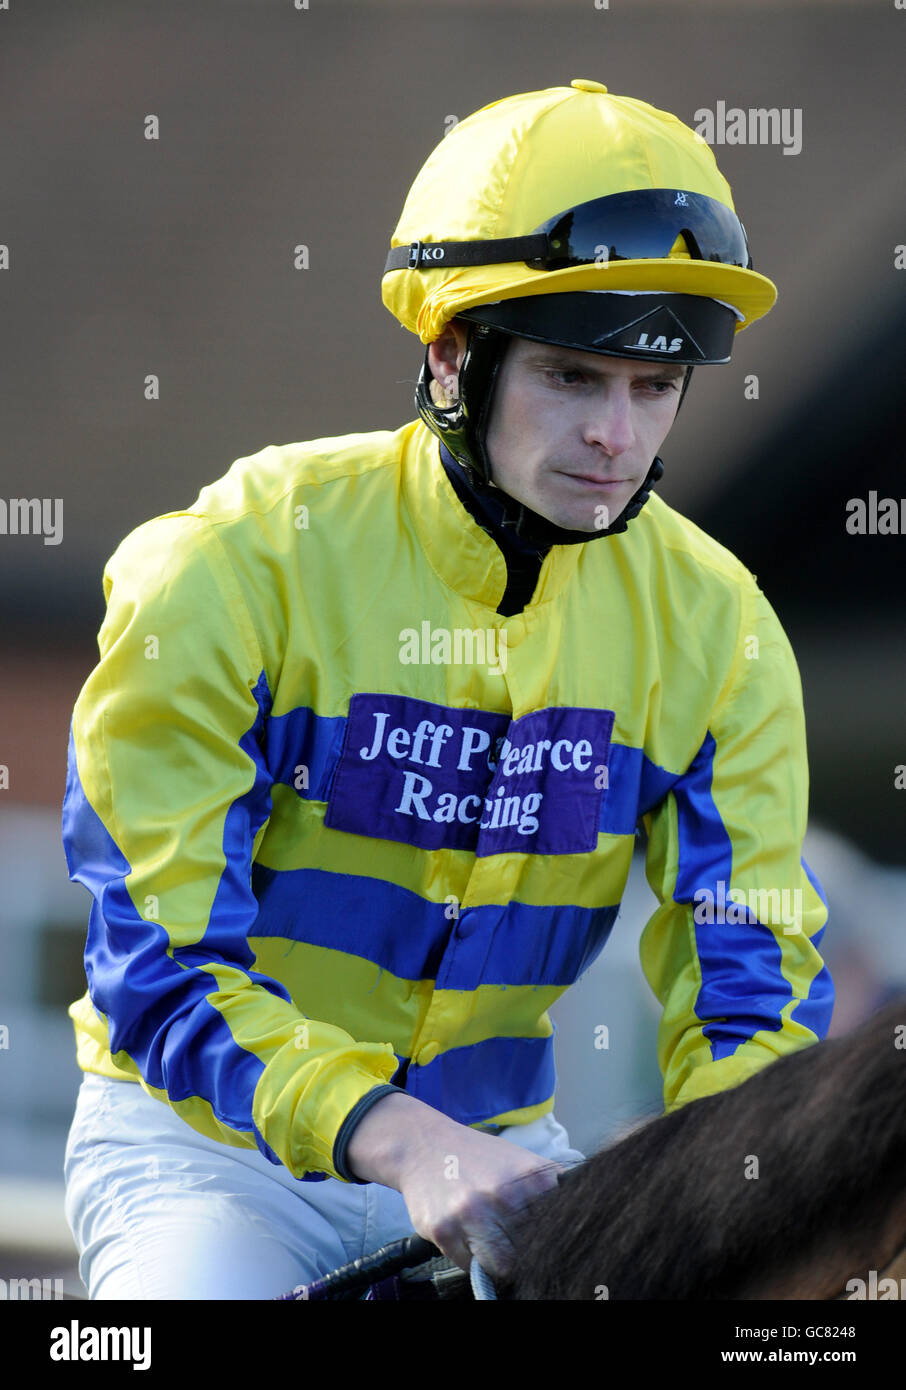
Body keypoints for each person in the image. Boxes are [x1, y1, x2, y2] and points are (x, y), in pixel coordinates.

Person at [61, 78, 833, 1300]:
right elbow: (157, 967)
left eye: (655, 387)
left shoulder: (722, 626)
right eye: (575, 378)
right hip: (214, 1161)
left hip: (506, 1162)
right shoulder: (229, 565)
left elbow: (750, 988)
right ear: (450, 353)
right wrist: (402, 1139)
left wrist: (736, 1200)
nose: (616, 440)